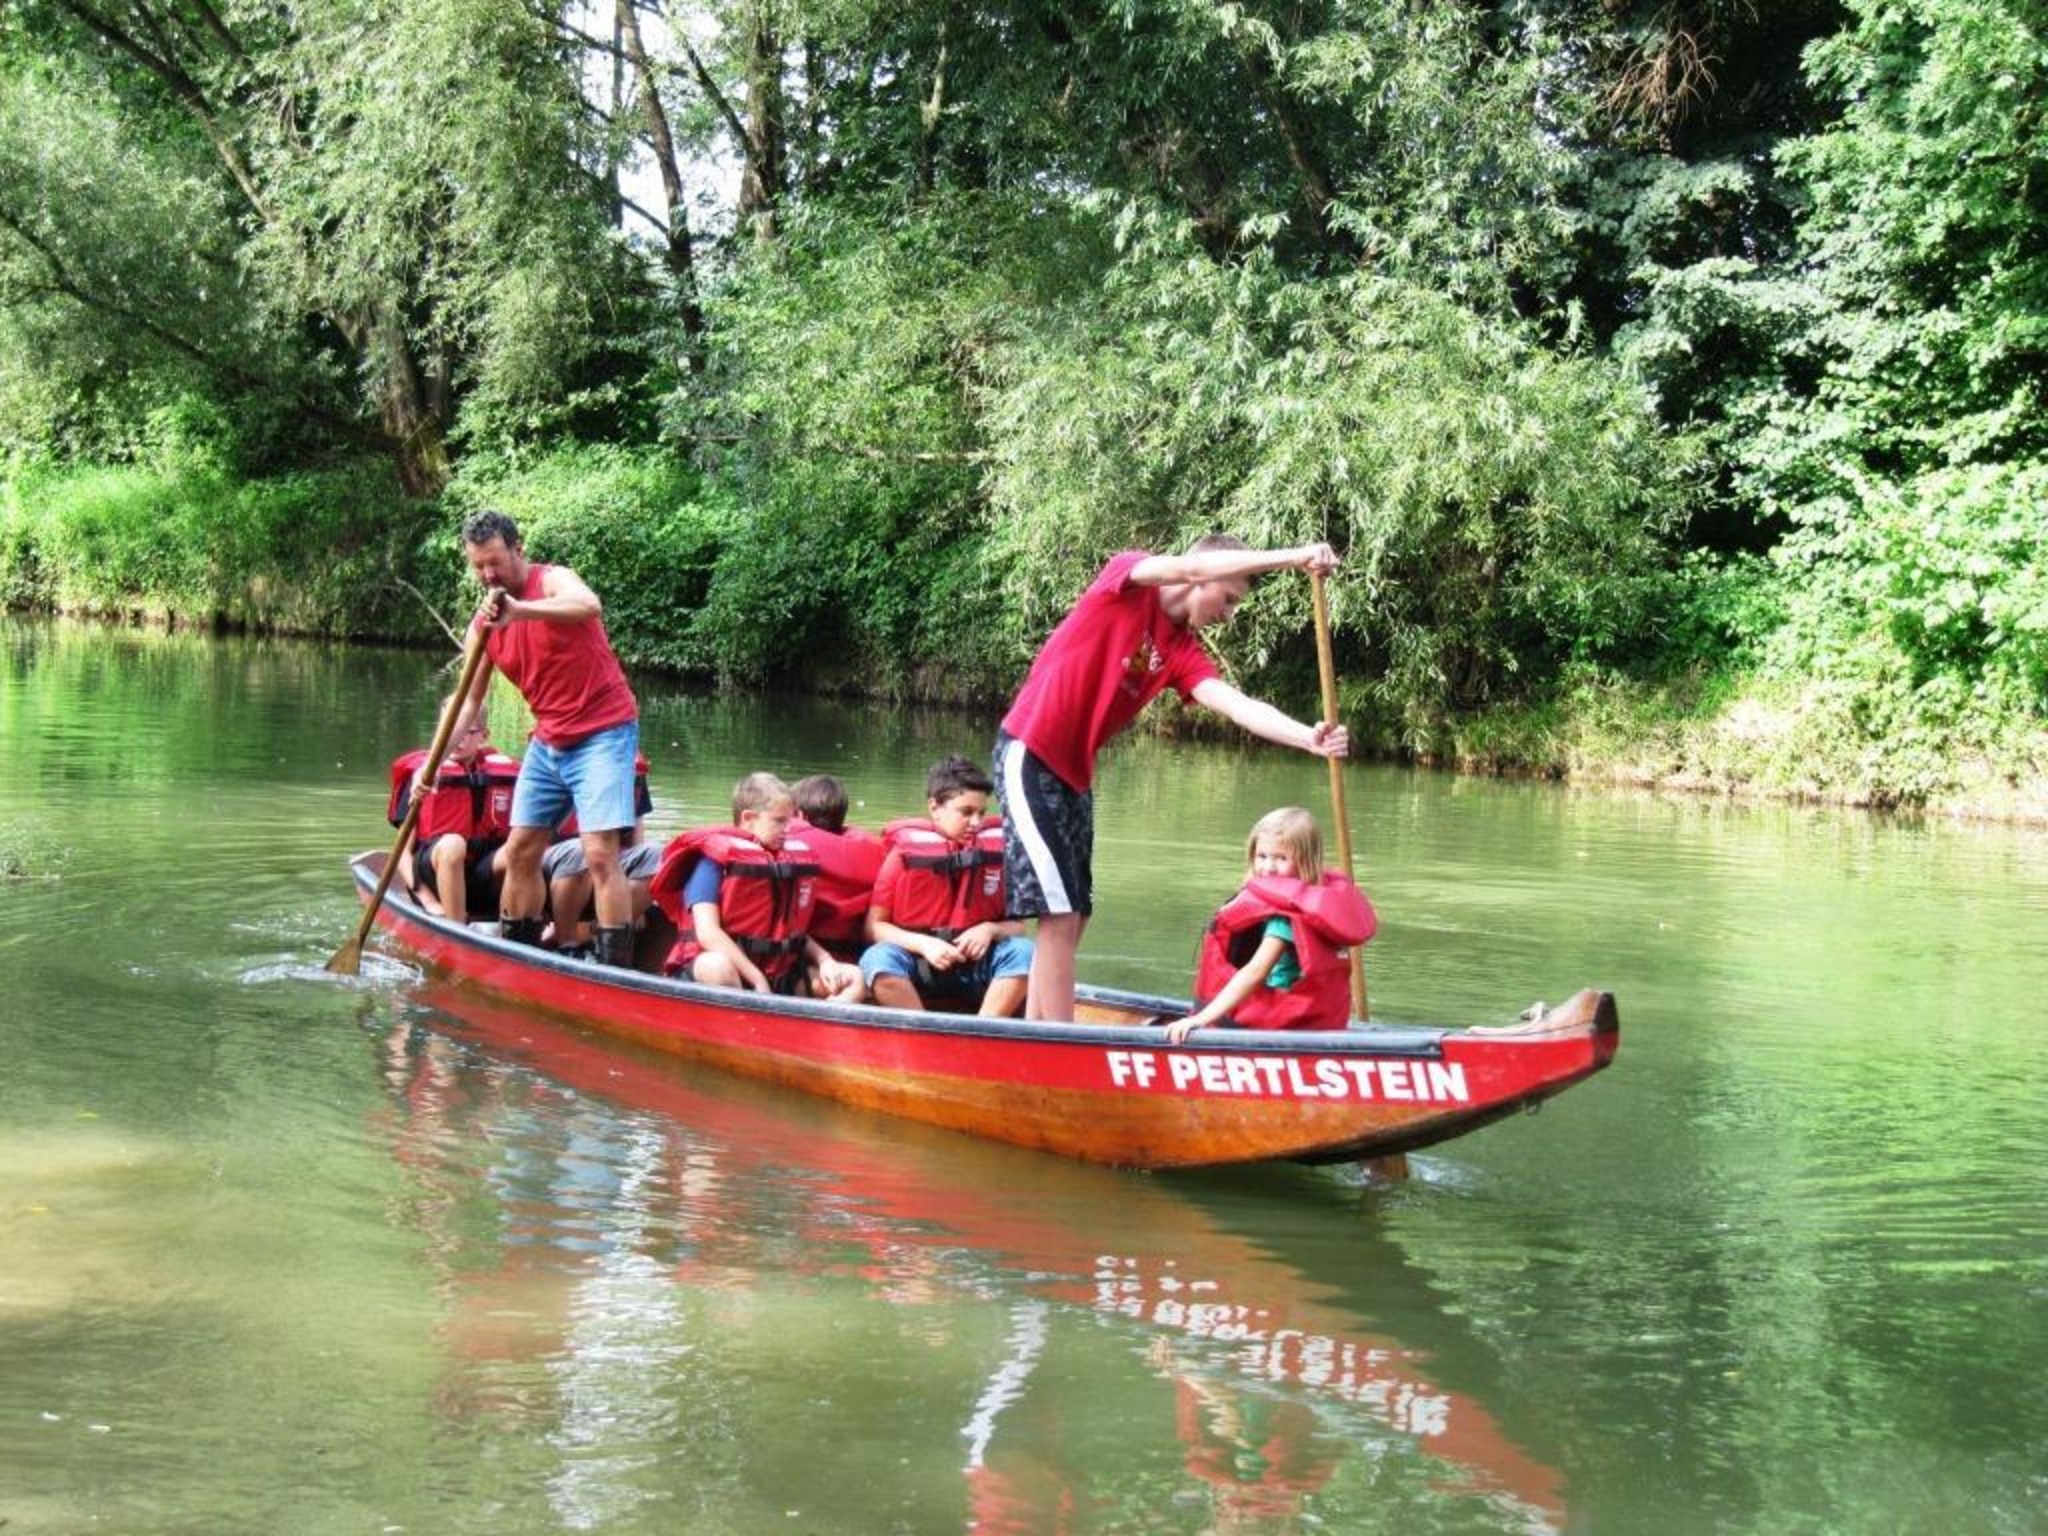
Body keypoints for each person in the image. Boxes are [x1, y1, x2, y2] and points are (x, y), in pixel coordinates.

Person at [995, 536, 1350, 1021]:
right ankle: (1060, 1040)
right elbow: (1184, 567)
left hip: (1075, 775)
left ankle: (1039, 1031)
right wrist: (1292, 558)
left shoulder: (1179, 649)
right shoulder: (1126, 582)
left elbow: (1238, 706)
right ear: (1206, 575)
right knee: (1058, 914)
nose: (1228, 616)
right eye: (1229, 600)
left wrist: (1309, 737)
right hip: (1029, 753)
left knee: (1075, 915)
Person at [442, 509, 641, 969]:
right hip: (549, 739)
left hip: (604, 731)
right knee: (522, 849)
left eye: (496, 561)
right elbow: (468, 702)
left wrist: (520, 612)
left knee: (599, 854)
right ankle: (517, 956)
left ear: (518, 550)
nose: (489, 574)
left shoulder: (552, 581)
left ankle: (616, 970)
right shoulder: (482, 626)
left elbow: (589, 605)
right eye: (479, 566)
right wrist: (431, 768)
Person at [648, 772, 866, 1001]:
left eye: (790, 820)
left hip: (774, 977)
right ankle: (737, 1027)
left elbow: (793, 931)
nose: (788, 828)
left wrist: (825, 961)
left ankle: (813, 1032)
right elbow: (708, 933)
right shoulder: (710, 862)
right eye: (779, 821)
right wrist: (756, 979)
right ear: (748, 817)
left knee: (853, 977)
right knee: (717, 966)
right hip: (718, 974)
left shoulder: (785, 863)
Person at [1166, 807, 1376, 1044]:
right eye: (1262, 856)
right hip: (1319, 1021)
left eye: (1281, 858)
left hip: (1278, 1022)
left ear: (1305, 861)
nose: (1268, 867)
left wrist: (1200, 1019)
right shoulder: (1320, 903)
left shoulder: (1285, 917)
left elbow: (1256, 971)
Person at [861, 756, 1034, 1016]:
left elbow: (1018, 927)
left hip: (976, 968)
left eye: (982, 813)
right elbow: (873, 927)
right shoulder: (902, 856)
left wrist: (989, 929)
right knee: (878, 960)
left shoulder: (997, 856)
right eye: (966, 812)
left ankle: (982, 1031)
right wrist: (924, 944)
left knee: (1025, 952)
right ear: (934, 807)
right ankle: (924, 1035)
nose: (976, 823)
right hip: (918, 967)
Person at [386, 707, 520, 925]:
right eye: (450, 729)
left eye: (467, 731)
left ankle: (517, 926)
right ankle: (456, 927)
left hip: (482, 875)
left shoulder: (505, 775)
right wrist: (426, 899)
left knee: (521, 848)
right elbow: (401, 853)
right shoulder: (424, 776)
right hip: (434, 874)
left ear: (484, 736)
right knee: (452, 844)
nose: (457, 738)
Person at [540, 752, 659, 953]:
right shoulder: (557, 757)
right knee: (581, 851)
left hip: (604, 862)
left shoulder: (630, 766)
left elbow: (637, 827)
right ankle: (565, 943)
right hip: (559, 861)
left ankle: (596, 937)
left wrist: (640, 908)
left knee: (657, 856)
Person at [789, 773, 886, 963]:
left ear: (799, 816)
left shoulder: (789, 848)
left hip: (801, 959)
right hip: (854, 959)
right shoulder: (879, 854)